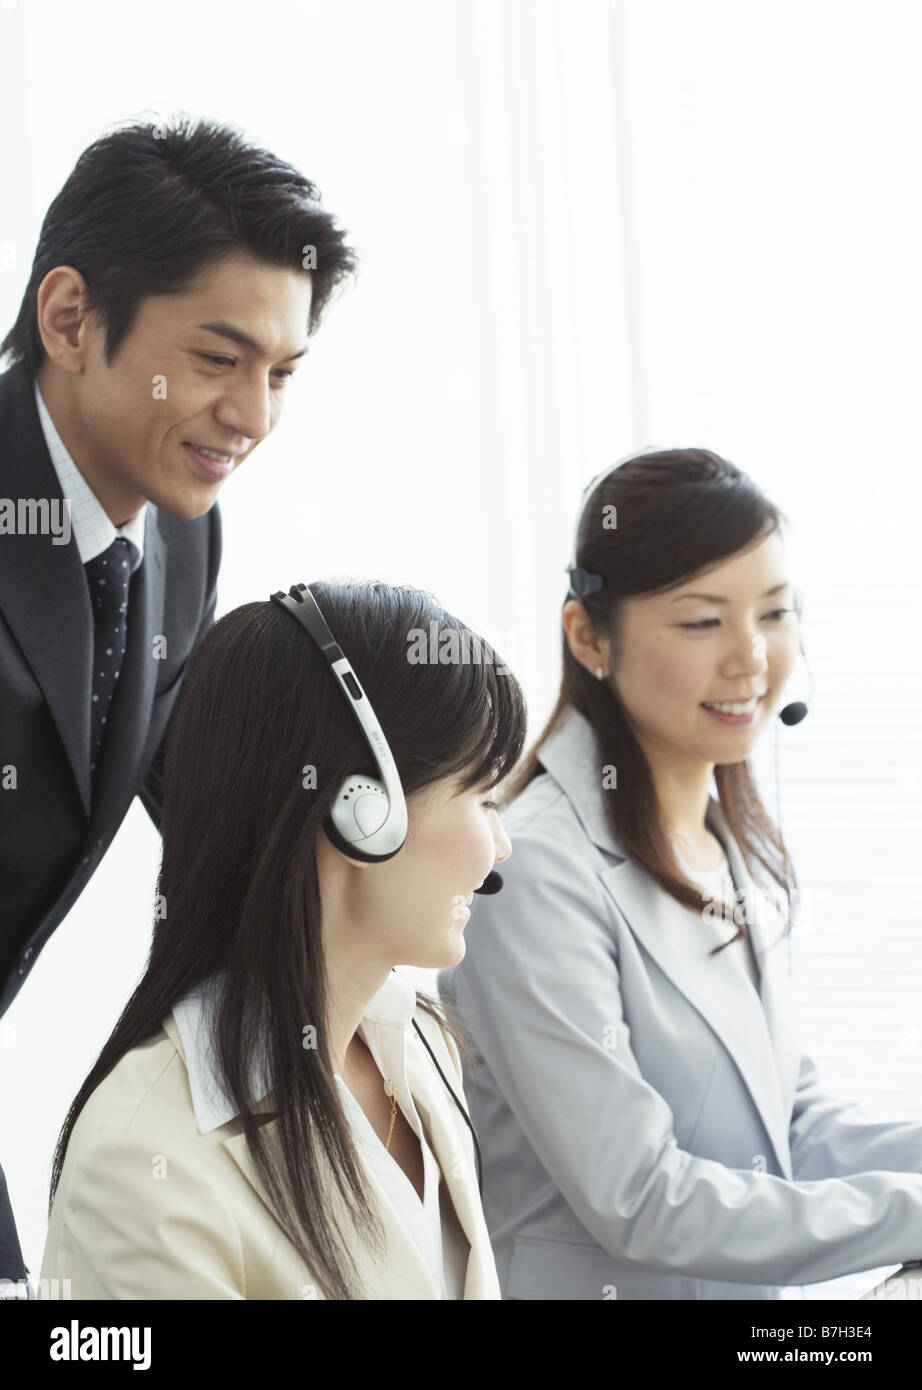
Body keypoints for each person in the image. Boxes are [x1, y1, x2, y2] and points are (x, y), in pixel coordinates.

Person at [0, 113, 356, 1294]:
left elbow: (210, 798)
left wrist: (402, 851)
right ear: (69, 319)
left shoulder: (177, 540)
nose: (253, 418)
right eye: (217, 359)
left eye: (281, 374)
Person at [439, 447, 922, 1300]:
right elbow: (640, 1197)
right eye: (703, 622)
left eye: (775, 614)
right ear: (590, 635)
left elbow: (790, 1123)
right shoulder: (533, 867)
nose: (752, 659)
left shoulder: (709, 828)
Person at [39, 580, 525, 1299]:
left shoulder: (417, 1045)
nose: (502, 847)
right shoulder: (139, 1159)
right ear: (364, 812)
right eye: (483, 797)